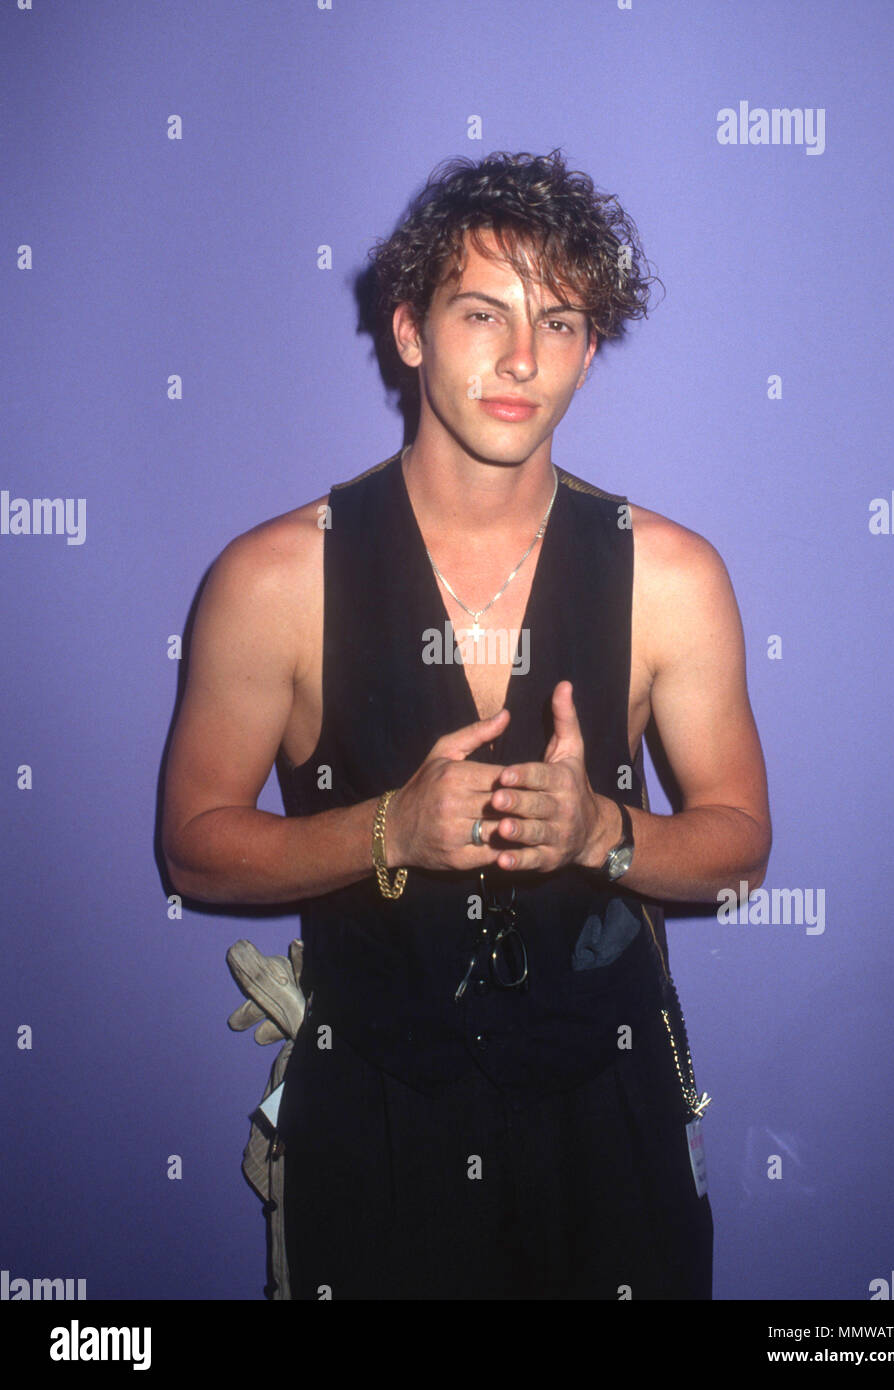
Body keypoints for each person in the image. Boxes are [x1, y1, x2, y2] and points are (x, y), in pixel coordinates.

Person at [161, 150, 771, 1300]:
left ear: (592, 350)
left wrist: (604, 831)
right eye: (481, 311)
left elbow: (740, 842)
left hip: (611, 1117)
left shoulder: (673, 576)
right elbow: (193, 844)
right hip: (376, 1123)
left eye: (561, 321)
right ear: (408, 329)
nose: (521, 358)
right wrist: (385, 828)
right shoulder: (273, 579)